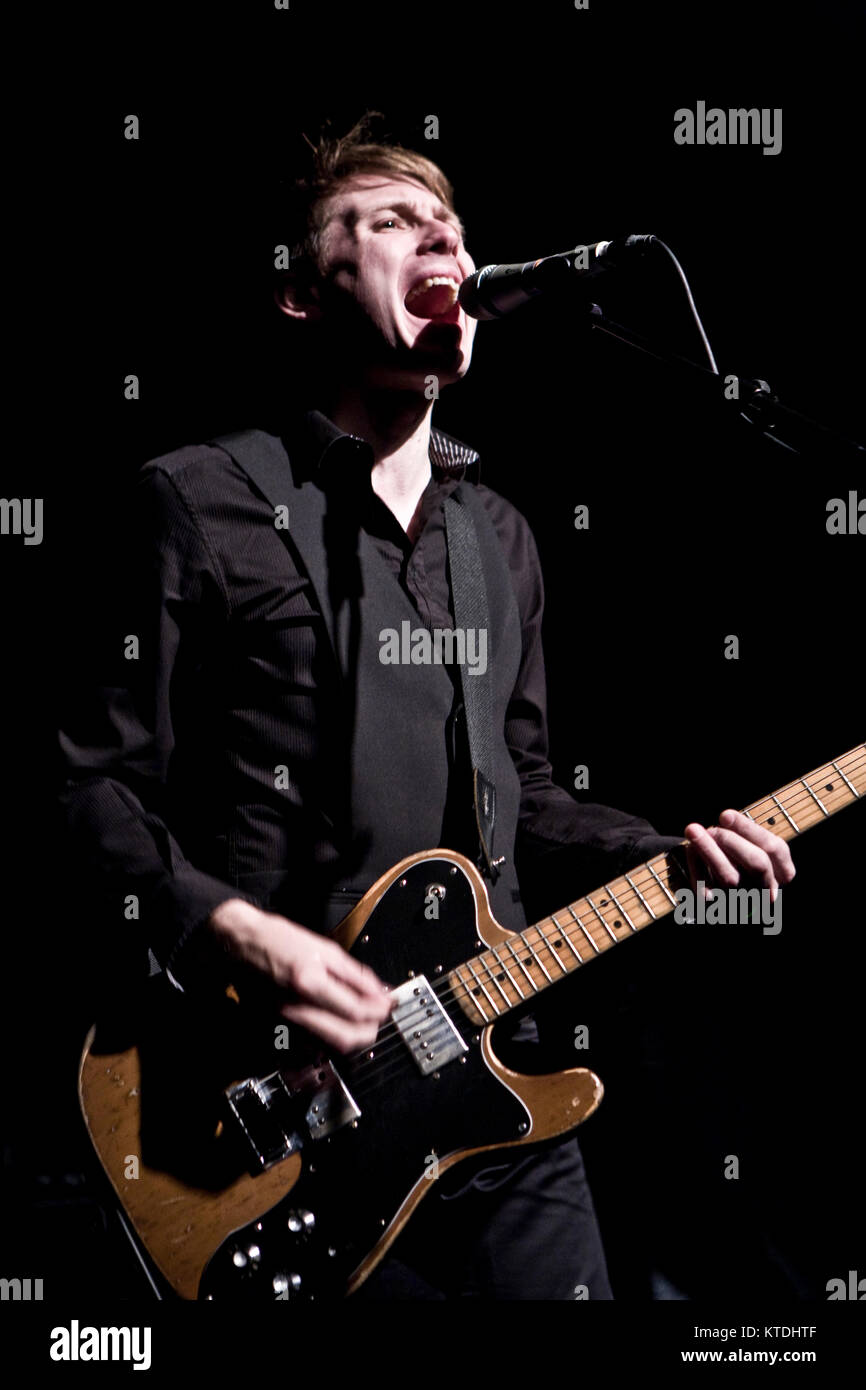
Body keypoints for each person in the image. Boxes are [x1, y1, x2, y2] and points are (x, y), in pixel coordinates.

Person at [57, 114, 795, 1300]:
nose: (441, 234)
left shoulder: (497, 539)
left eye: (447, 224)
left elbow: (528, 796)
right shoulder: (197, 500)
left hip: (492, 1099)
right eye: (392, 221)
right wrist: (235, 928)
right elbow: (86, 787)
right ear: (302, 293)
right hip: (270, 1103)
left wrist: (671, 856)